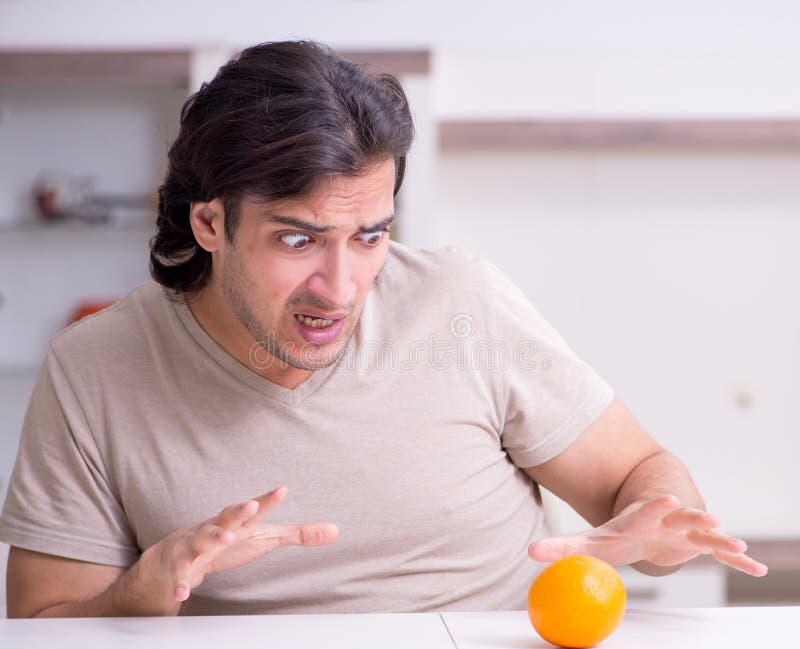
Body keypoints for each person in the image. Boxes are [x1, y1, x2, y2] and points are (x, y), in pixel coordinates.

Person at [0, 40, 767, 618]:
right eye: (297, 240)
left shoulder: (461, 302)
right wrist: (141, 589)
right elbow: (43, 625)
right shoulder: (96, 366)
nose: (339, 289)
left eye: (369, 236)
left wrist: (655, 526)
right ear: (209, 223)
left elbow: (642, 478)